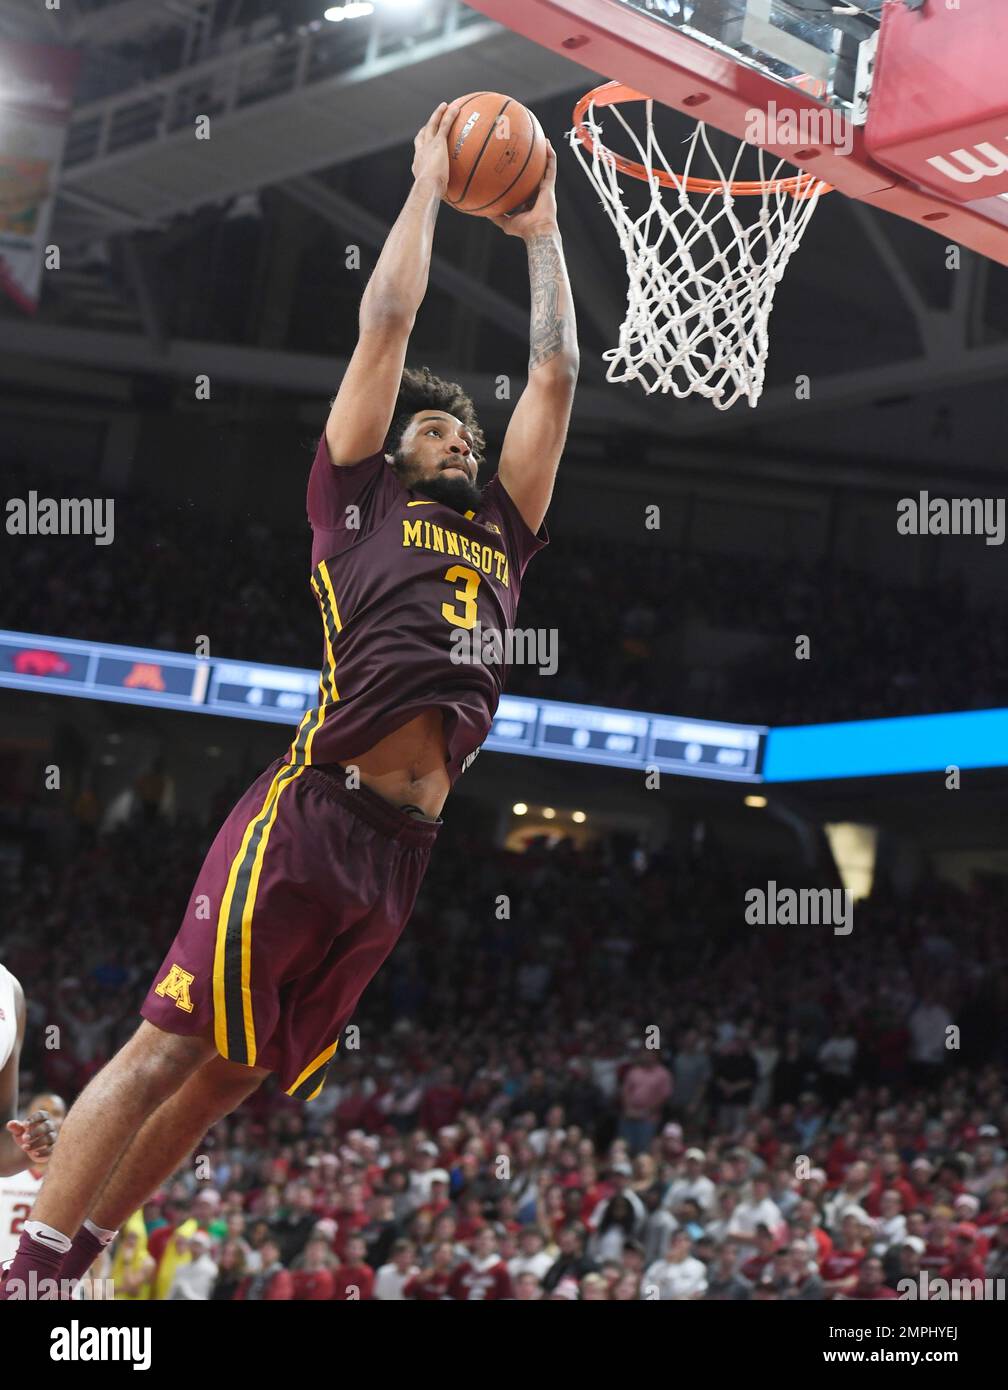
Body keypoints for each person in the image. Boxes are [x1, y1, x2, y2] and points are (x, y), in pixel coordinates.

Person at [1, 100, 578, 1301]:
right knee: (166, 1045)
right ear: (393, 450)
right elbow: (388, 317)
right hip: (312, 809)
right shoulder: (354, 505)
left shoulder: (505, 540)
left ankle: (84, 1257)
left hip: (403, 855)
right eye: (437, 426)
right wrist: (430, 182)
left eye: (463, 431)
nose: (458, 438)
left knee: (229, 1078)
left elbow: (558, 371)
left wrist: (542, 226)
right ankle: (32, 1271)